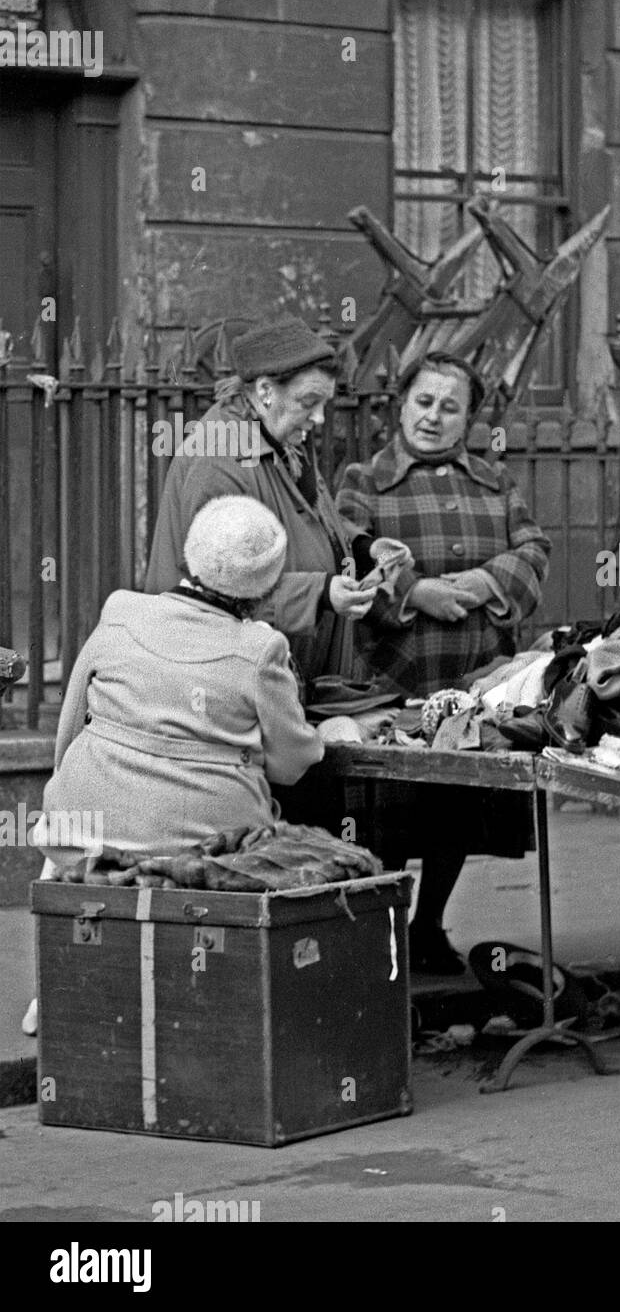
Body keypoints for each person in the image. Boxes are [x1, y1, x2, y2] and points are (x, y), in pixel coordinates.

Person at [25, 496, 324, 1034]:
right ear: (267, 584)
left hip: (79, 831)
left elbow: (69, 729)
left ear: (190, 552)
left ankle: (52, 989)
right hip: (197, 848)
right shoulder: (260, 650)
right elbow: (292, 765)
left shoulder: (121, 612)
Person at [334, 351, 551, 973]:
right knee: (390, 817)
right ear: (400, 405)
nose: (433, 417)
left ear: (468, 419)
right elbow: (345, 559)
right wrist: (413, 592)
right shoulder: (363, 481)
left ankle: (429, 926)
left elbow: (534, 549)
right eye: (423, 402)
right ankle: (382, 938)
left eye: (449, 407)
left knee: (457, 809)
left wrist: (485, 582)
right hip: (393, 677)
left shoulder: (494, 481)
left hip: (475, 679)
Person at [144, 315, 374, 689]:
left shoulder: (274, 437)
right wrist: (320, 593)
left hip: (267, 677)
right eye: (308, 402)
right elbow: (220, 583)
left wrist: (364, 548)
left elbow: (310, 516)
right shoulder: (221, 458)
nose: (318, 418)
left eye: (324, 404)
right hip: (222, 685)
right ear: (266, 391)